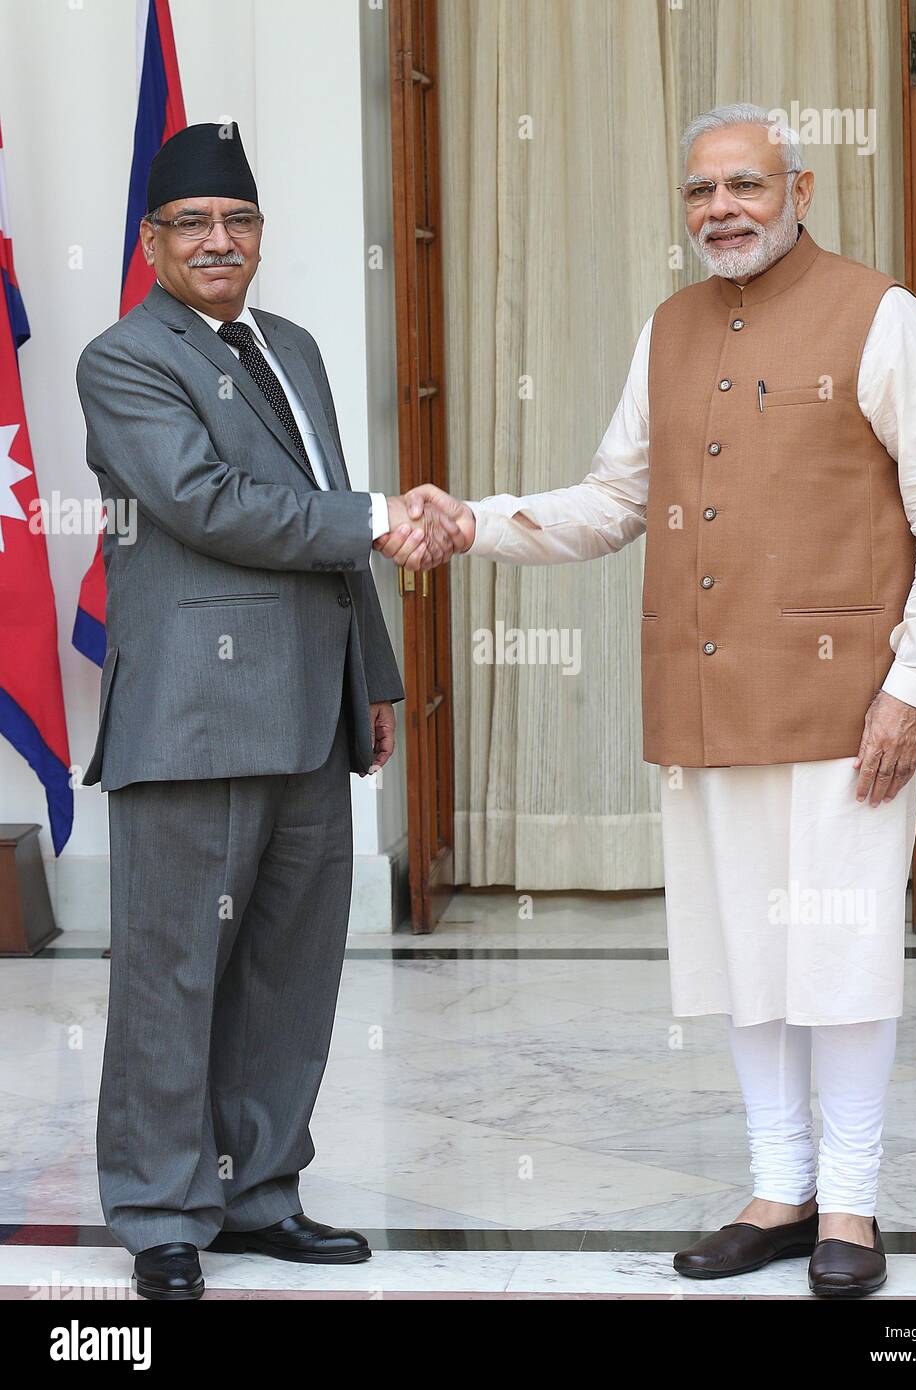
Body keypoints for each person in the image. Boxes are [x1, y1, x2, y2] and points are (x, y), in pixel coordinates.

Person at [378, 102, 916, 1298]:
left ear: (798, 188)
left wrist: (910, 691)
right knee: (741, 954)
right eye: (701, 191)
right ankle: (777, 1189)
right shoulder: (666, 329)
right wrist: (473, 522)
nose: (723, 209)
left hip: (843, 707)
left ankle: (851, 1207)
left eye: (746, 186)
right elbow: (612, 501)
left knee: (839, 954)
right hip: (700, 700)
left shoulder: (880, 315)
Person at [76, 121, 467, 1301]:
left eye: (237, 221)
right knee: (172, 974)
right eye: (192, 223)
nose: (217, 240)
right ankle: (160, 1212)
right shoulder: (123, 358)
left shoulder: (289, 345)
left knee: (290, 969)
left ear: (258, 238)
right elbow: (209, 504)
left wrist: (376, 679)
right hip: (194, 716)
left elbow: (325, 519)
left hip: (309, 706)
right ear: (152, 246)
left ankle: (258, 1193)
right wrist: (378, 513)